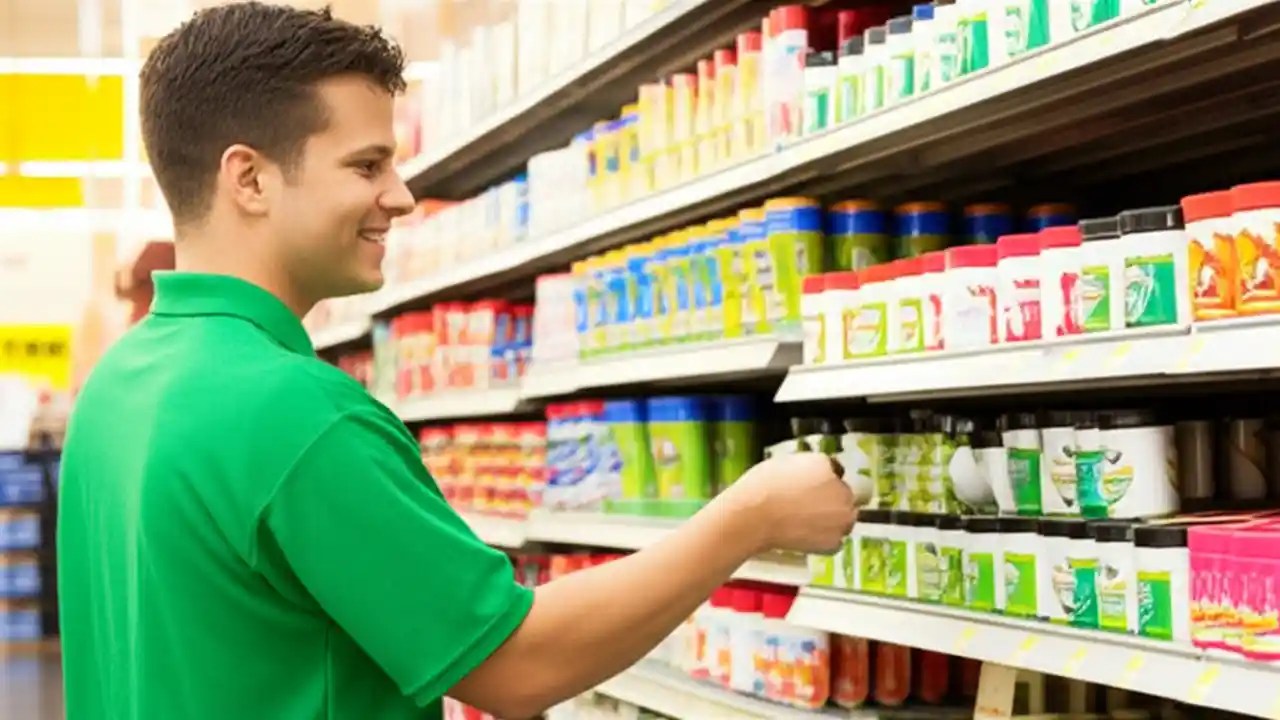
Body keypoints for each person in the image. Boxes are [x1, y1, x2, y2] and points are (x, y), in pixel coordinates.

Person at [56, 4, 858, 719]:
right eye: (367, 166)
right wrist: (751, 517)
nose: (401, 196)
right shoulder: (296, 414)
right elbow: (515, 666)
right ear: (250, 178)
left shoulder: (118, 388)